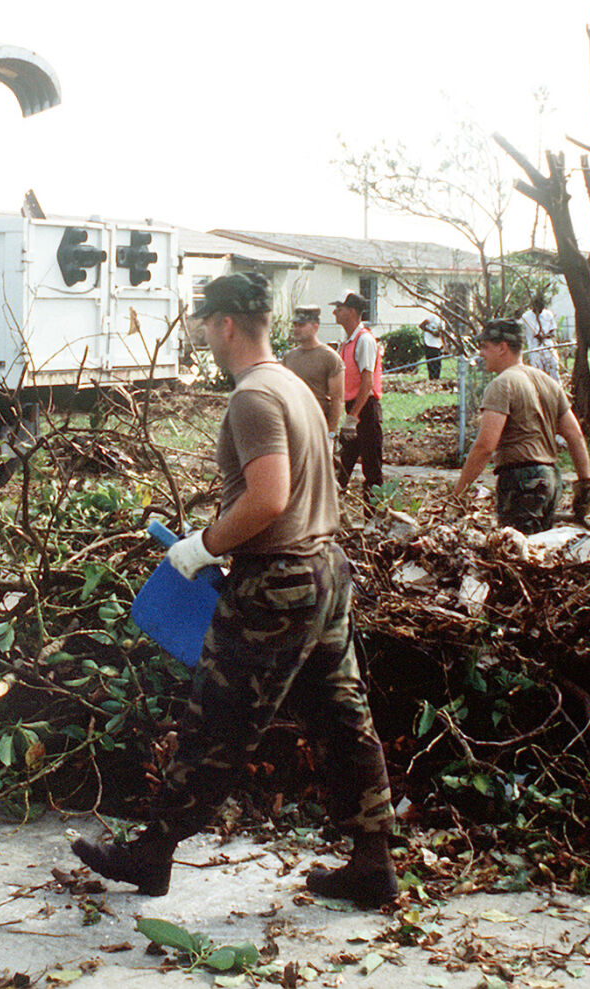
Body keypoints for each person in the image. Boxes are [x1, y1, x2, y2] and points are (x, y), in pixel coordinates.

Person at [70, 272, 397, 909]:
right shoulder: (294, 385)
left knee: (215, 719)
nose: (202, 335)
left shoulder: (252, 397)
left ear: (225, 324)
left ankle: (152, 854)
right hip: (325, 569)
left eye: (204, 324)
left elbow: (269, 498)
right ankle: (373, 860)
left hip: (278, 581)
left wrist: (204, 545)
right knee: (342, 718)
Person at [452, 318, 590, 532]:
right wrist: (585, 485)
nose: (481, 353)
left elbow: (485, 446)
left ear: (502, 348)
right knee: (539, 548)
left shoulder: (502, 384)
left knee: (516, 549)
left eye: (485, 347)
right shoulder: (547, 382)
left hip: (521, 481)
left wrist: (459, 492)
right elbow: (575, 435)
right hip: (550, 479)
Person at [331, 292, 383, 498]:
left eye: (339, 308)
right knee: (343, 466)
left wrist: (353, 417)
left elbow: (367, 383)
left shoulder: (364, 340)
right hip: (353, 408)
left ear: (352, 311)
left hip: (365, 409)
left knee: (371, 468)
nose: (335, 312)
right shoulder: (347, 342)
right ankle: (335, 509)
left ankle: (374, 514)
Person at [280, 306, 343, 432]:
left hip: (318, 424)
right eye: (295, 325)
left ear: (315, 327)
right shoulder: (289, 357)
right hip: (294, 424)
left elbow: (337, 399)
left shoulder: (329, 357)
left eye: (301, 325)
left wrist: (331, 432)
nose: (296, 329)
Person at [521, 294, 559, 374]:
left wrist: (544, 336)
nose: (540, 309)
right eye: (538, 306)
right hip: (534, 347)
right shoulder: (526, 317)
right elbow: (520, 328)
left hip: (548, 347)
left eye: (541, 307)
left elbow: (553, 332)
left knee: (554, 367)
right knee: (538, 371)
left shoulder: (548, 314)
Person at [418, 315, 445, 381]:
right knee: (431, 363)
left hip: (438, 344)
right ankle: (432, 379)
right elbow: (422, 325)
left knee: (437, 364)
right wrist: (432, 332)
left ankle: (436, 379)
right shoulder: (433, 317)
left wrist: (444, 344)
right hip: (430, 343)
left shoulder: (443, 321)